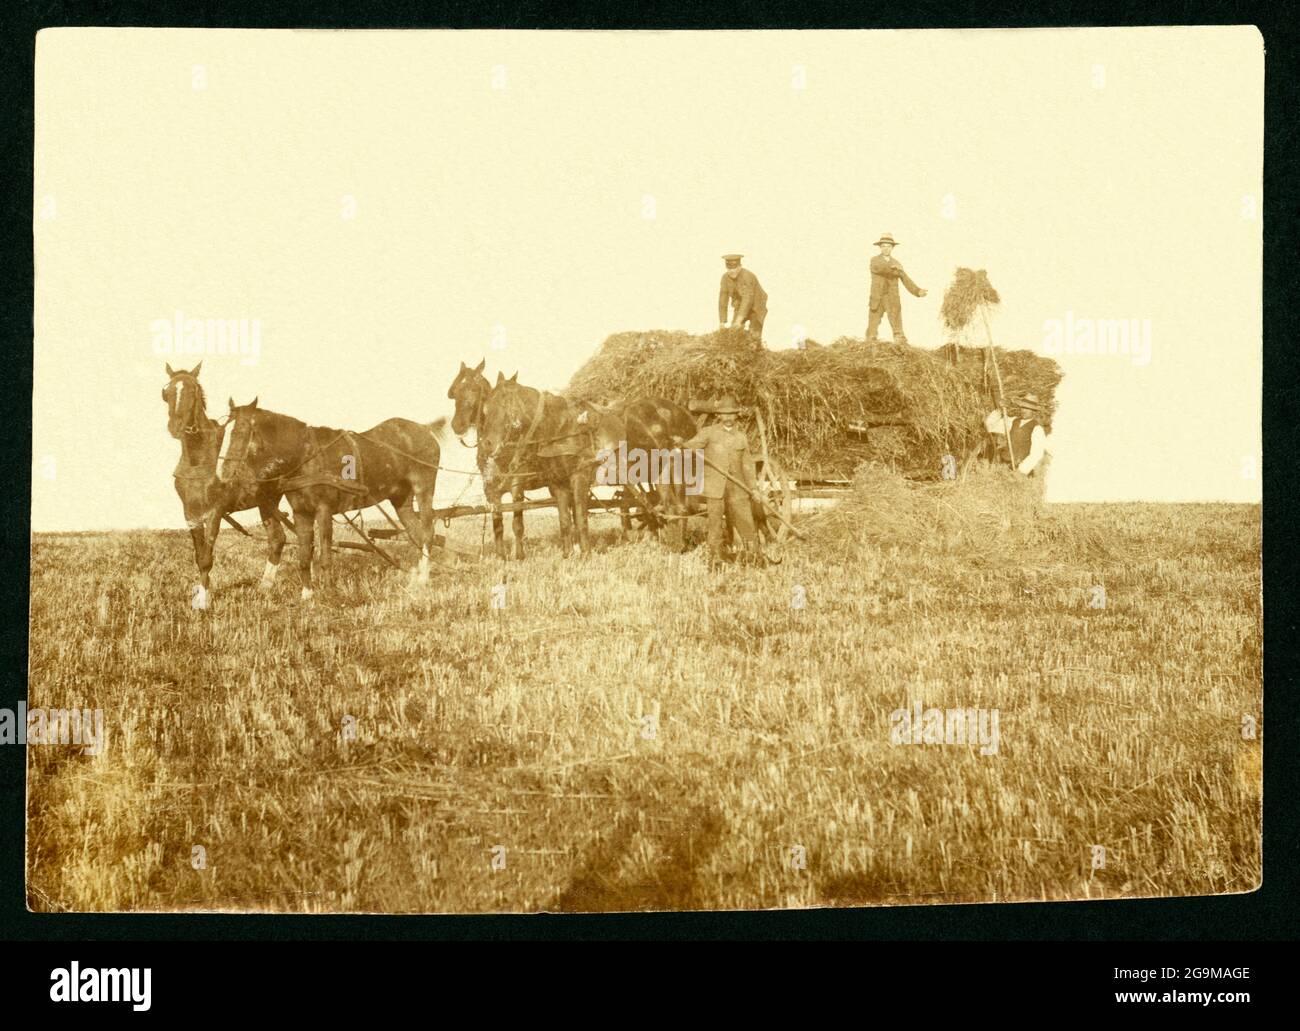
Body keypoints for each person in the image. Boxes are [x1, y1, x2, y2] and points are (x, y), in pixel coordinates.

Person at [678, 396, 764, 565]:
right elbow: (692, 445)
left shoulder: (741, 437)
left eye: (731, 414)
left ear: (736, 415)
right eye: (725, 414)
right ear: (718, 415)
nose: (728, 418)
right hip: (715, 487)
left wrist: (753, 488)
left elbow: (747, 464)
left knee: (745, 521)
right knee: (715, 524)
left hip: (738, 488)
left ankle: (754, 556)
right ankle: (715, 558)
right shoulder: (709, 432)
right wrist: (682, 444)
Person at [867, 233, 926, 344]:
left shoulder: (897, 263)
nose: (886, 249)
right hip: (877, 298)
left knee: (898, 328)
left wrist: (918, 291)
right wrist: (895, 270)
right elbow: (879, 269)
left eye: (888, 246)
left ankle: (901, 345)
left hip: (892, 298)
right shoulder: (874, 260)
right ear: (880, 247)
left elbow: (905, 279)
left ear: (892, 248)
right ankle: (870, 346)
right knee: (872, 329)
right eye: (883, 246)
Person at [983, 394, 1050, 475]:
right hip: (1003, 466)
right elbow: (989, 426)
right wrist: (1000, 410)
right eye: (1022, 407)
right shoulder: (1013, 421)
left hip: (1020, 470)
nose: (1023, 410)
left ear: (1034, 411)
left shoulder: (1037, 428)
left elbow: (1037, 454)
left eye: (1027, 408)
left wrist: (1020, 471)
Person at [717, 254, 767, 342]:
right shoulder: (725, 278)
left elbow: (748, 299)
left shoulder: (746, 276)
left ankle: (755, 349)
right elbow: (723, 299)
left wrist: (739, 320)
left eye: (734, 268)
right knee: (734, 332)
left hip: (756, 305)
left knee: (754, 335)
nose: (732, 271)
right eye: (729, 269)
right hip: (740, 305)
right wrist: (722, 321)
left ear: (740, 266)